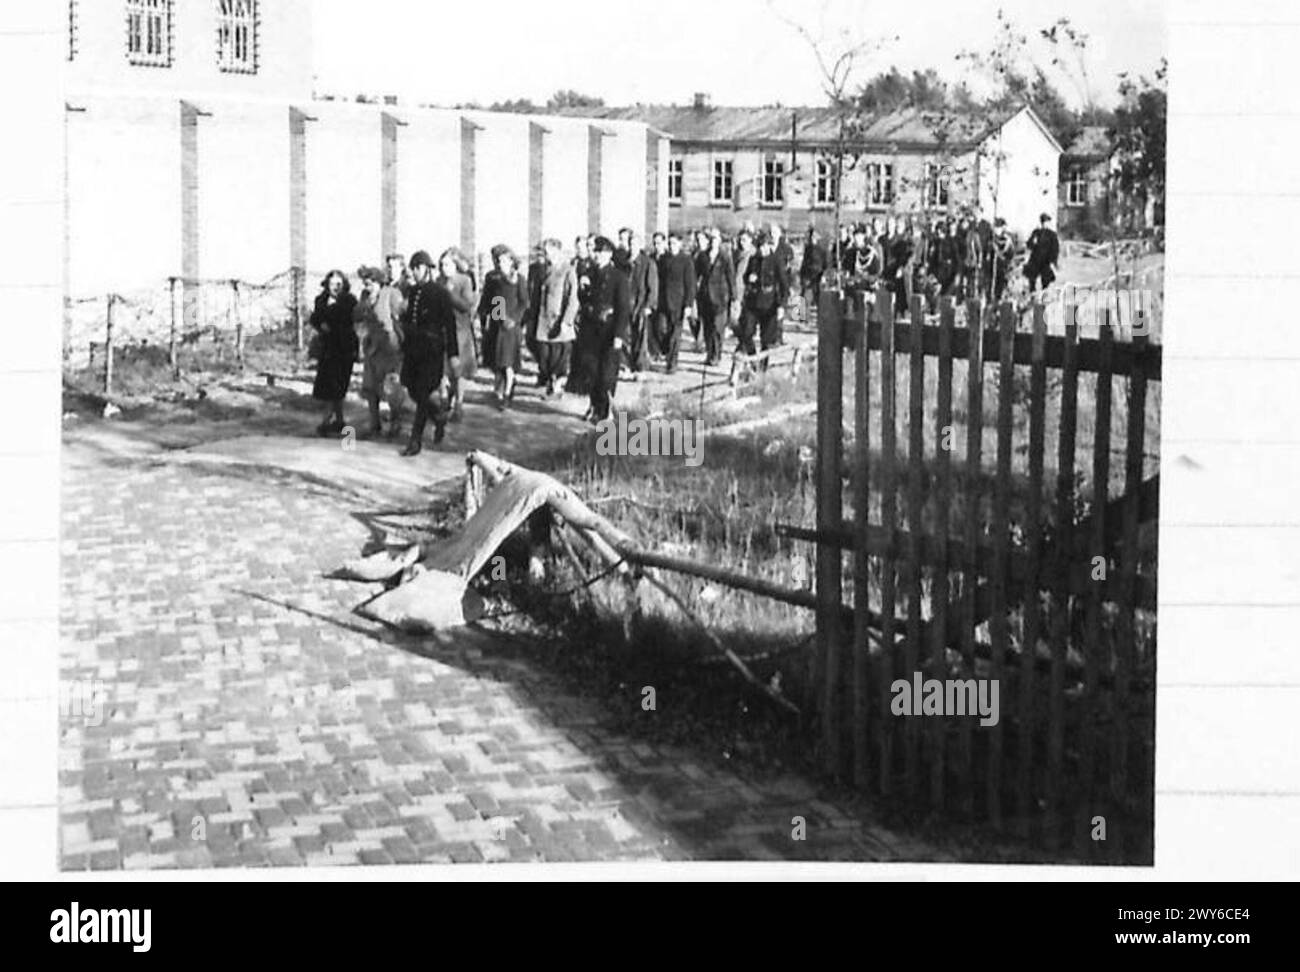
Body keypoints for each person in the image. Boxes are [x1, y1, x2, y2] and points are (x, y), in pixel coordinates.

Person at [398, 251, 459, 456]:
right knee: (412, 389)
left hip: (431, 350)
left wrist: (453, 355)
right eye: (413, 268)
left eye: (419, 267)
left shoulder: (440, 293)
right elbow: (410, 318)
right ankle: (439, 417)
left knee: (423, 394)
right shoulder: (413, 291)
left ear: (427, 269)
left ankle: (415, 441)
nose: (415, 272)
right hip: (413, 349)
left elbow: (449, 325)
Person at [575, 236, 630, 422]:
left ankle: (605, 410)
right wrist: (582, 289)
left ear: (608, 254)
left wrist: (619, 335)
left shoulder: (618, 277)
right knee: (591, 371)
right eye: (594, 252)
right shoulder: (589, 273)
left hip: (609, 330)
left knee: (607, 373)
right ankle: (594, 406)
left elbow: (623, 308)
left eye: (599, 252)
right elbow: (584, 301)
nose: (595, 255)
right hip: (590, 329)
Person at [354, 265, 406, 440]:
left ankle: (396, 423)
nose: (367, 287)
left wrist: (401, 345)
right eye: (365, 284)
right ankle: (374, 424)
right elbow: (358, 317)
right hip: (372, 348)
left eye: (370, 283)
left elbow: (401, 320)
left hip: (390, 348)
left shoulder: (392, 294)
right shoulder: (365, 297)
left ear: (379, 282)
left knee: (392, 388)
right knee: (370, 388)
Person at [526, 237, 579, 397]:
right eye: (546, 253)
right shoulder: (540, 270)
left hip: (558, 321)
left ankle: (556, 385)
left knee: (558, 357)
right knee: (543, 355)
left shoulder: (568, 270)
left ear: (558, 252)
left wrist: (566, 320)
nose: (547, 256)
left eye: (550, 252)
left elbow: (572, 299)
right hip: (542, 320)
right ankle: (549, 380)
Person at [308, 270, 359, 437]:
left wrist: (328, 315)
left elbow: (347, 319)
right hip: (328, 349)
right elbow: (315, 318)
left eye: (338, 284)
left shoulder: (349, 301)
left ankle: (326, 421)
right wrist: (321, 324)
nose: (335, 288)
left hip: (344, 348)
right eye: (332, 284)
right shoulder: (321, 300)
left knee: (338, 385)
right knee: (329, 386)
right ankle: (339, 420)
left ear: (344, 284)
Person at [479, 244, 530, 410]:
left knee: (508, 362)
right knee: (497, 360)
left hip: (511, 327)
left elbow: (524, 302)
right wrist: (487, 317)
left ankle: (508, 393)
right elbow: (489, 300)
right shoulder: (492, 278)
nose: (500, 264)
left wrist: (514, 319)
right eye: (497, 261)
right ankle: (500, 388)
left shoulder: (519, 279)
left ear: (511, 261)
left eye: (503, 260)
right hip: (496, 324)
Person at [437, 249, 477, 422]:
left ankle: (459, 404)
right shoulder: (438, 281)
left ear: (455, 265)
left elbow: (467, 306)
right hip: (441, 331)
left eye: (447, 264)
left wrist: (450, 295)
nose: (443, 268)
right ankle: (444, 399)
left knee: (458, 371)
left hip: (460, 331)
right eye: (441, 265)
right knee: (442, 369)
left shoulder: (464, 281)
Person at [740, 231, 789, 359]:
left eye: (764, 246)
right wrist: (749, 278)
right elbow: (745, 276)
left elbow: (784, 284)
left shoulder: (776, 260)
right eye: (760, 246)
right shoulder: (754, 259)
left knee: (766, 340)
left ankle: (762, 367)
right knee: (746, 333)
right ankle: (752, 358)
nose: (762, 249)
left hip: (769, 303)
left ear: (769, 245)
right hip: (753, 302)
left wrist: (782, 306)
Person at [617, 227, 658, 373]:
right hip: (625, 304)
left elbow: (652, 286)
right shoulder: (623, 262)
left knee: (640, 338)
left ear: (640, 245)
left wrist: (649, 305)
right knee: (625, 336)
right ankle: (626, 365)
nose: (632, 246)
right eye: (630, 243)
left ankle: (640, 367)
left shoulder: (648, 263)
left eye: (635, 244)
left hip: (640, 305)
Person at [656, 231, 696, 374]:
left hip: (678, 303)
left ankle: (672, 363)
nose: (671, 246)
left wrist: (689, 304)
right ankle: (666, 351)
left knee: (675, 334)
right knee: (661, 330)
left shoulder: (686, 260)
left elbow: (690, 284)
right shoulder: (664, 259)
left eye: (674, 243)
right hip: (663, 302)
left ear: (679, 244)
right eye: (670, 243)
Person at [696, 228, 734, 367]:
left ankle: (717, 354)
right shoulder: (702, 256)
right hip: (705, 296)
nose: (713, 242)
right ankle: (709, 353)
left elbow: (730, 277)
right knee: (707, 327)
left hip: (720, 297)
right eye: (711, 239)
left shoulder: (725, 257)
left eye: (716, 239)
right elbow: (696, 275)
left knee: (718, 328)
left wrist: (733, 296)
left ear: (720, 241)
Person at [1024, 212, 1060, 293]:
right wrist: (1032, 242)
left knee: (1046, 280)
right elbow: (1029, 245)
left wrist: (1053, 261)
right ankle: (1032, 294)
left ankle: (1044, 295)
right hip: (1035, 260)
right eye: (1043, 222)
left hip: (1046, 260)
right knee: (1031, 279)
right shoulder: (1036, 232)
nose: (1045, 224)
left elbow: (1055, 249)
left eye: (1046, 222)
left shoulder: (1052, 235)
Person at [799, 227, 828, 315]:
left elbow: (825, 263)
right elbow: (805, 262)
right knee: (806, 296)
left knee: (816, 296)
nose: (812, 239)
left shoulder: (821, 250)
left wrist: (823, 273)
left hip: (817, 274)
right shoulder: (809, 248)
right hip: (809, 274)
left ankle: (818, 315)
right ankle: (804, 316)